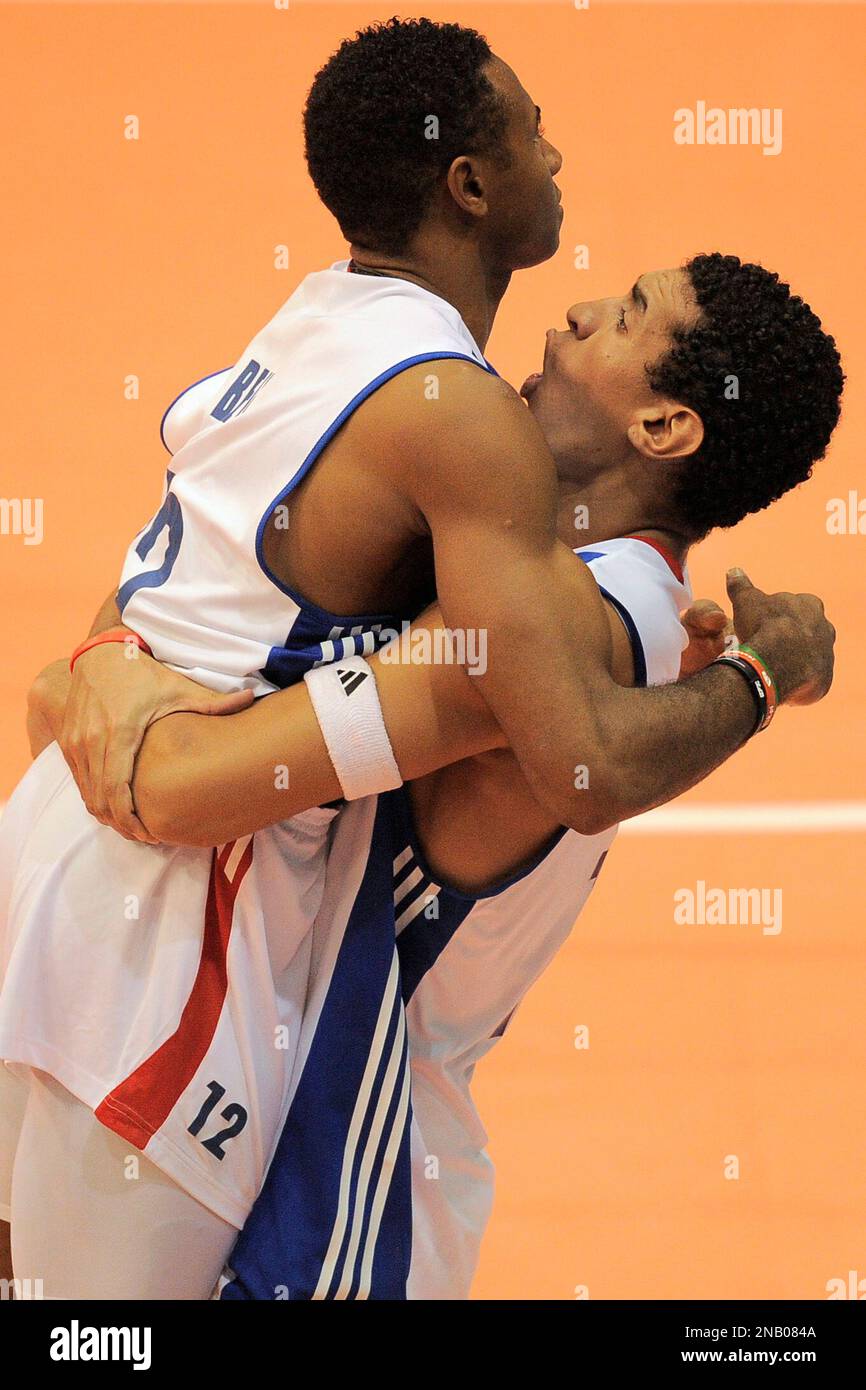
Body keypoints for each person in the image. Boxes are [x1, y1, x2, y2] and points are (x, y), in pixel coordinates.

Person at [4, 250, 843, 1298]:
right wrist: (109, 668)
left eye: (626, 315)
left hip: (357, 1145)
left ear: (666, 427)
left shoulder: (568, 626)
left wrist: (102, 683)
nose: (570, 315)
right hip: (290, 1066)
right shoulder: (544, 576)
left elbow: (167, 785)